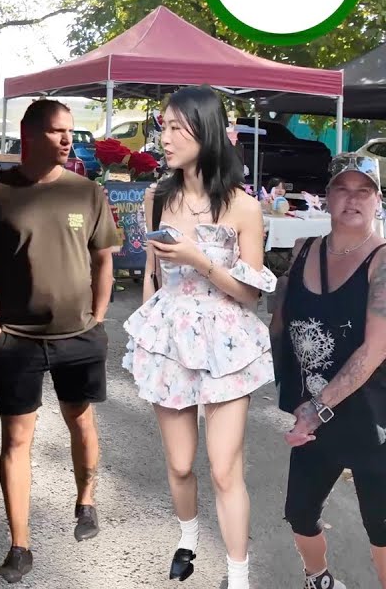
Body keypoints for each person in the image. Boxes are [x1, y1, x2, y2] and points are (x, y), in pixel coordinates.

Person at [123, 86, 275, 589]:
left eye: (174, 127)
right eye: (161, 126)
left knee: (225, 468)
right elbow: (151, 271)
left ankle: (238, 575)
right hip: (170, 337)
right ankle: (188, 536)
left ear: (204, 131)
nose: (163, 138)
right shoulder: (158, 197)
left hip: (227, 342)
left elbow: (251, 295)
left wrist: (200, 261)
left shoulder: (243, 208)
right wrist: (149, 325)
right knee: (181, 463)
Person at [0, 99, 121, 584]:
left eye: (70, 131)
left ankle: (86, 500)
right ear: (29, 136)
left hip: (80, 337)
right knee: (16, 440)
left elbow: (104, 261)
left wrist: (97, 318)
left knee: (82, 422)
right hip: (18, 342)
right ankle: (20, 544)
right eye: (58, 131)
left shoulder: (88, 192)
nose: (68, 139)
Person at [272, 154, 386, 589]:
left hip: (372, 417)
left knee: (382, 527)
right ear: (327, 196)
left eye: (364, 190)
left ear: (377, 200)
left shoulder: (381, 261)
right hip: (313, 416)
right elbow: (278, 325)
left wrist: (317, 408)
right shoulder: (304, 251)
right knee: (299, 512)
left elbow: (376, 347)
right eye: (342, 188)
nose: (352, 198)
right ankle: (318, 579)